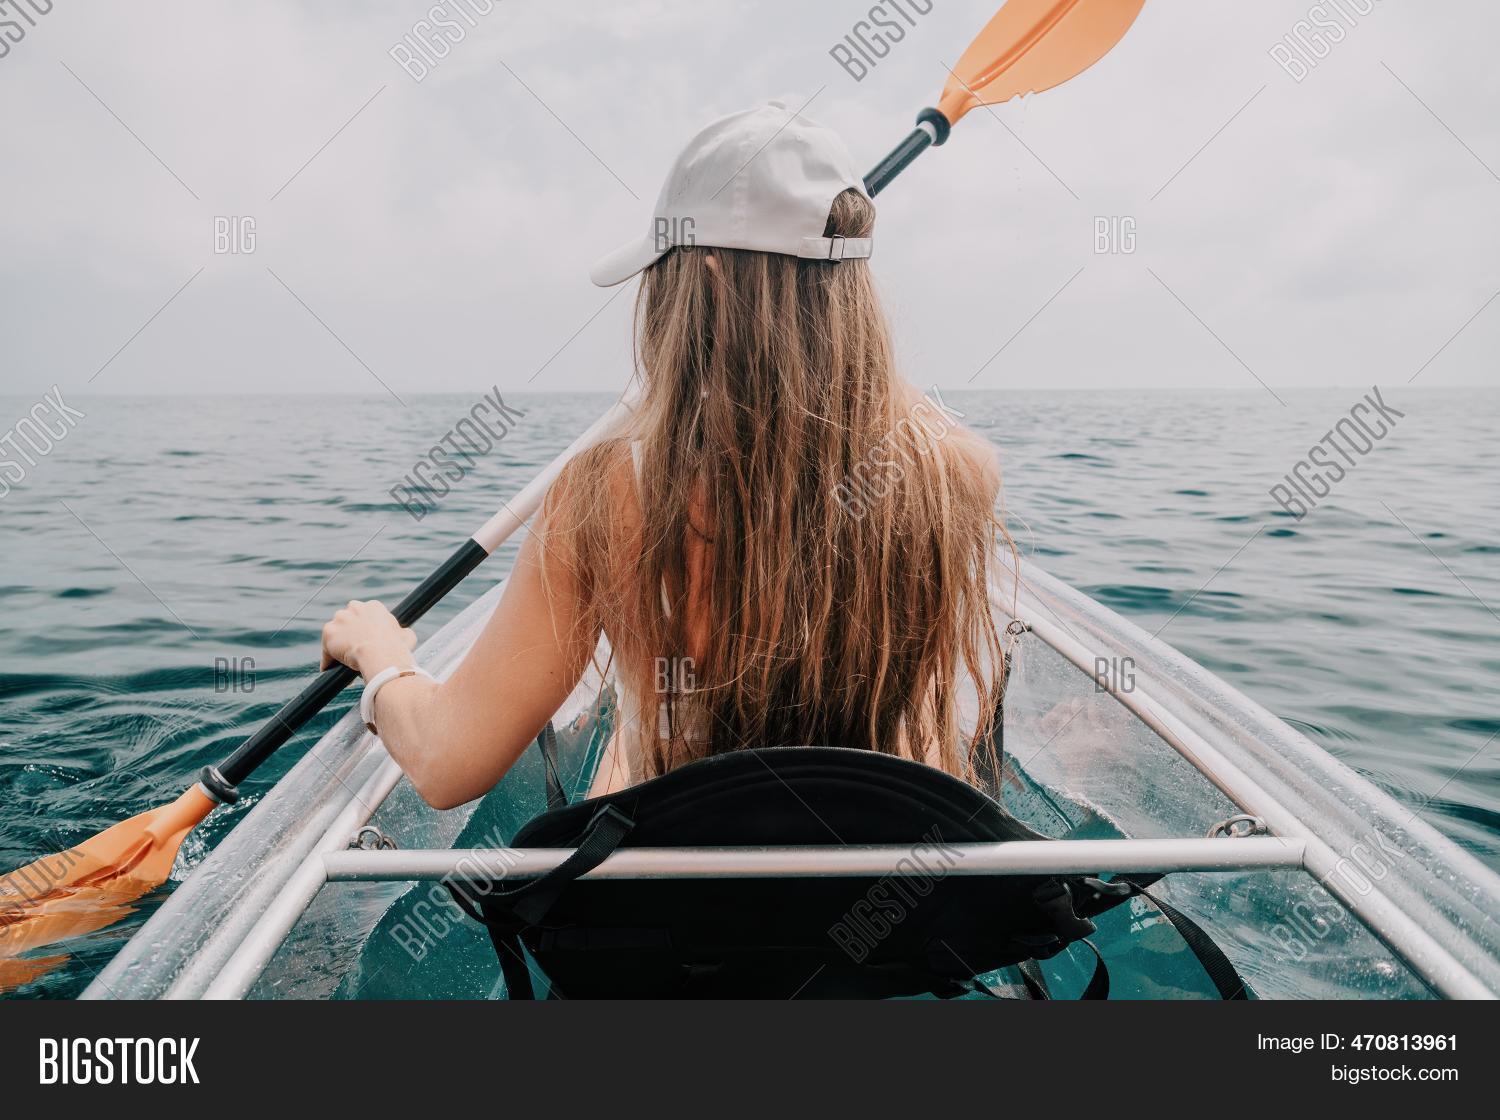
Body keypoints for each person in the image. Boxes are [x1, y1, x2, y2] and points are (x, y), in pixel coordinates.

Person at [319, 101, 1011, 810]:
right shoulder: (957, 474)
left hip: (683, 898)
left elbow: (446, 763)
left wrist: (381, 658)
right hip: (884, 886)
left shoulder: (609, 491)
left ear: (703, 280)